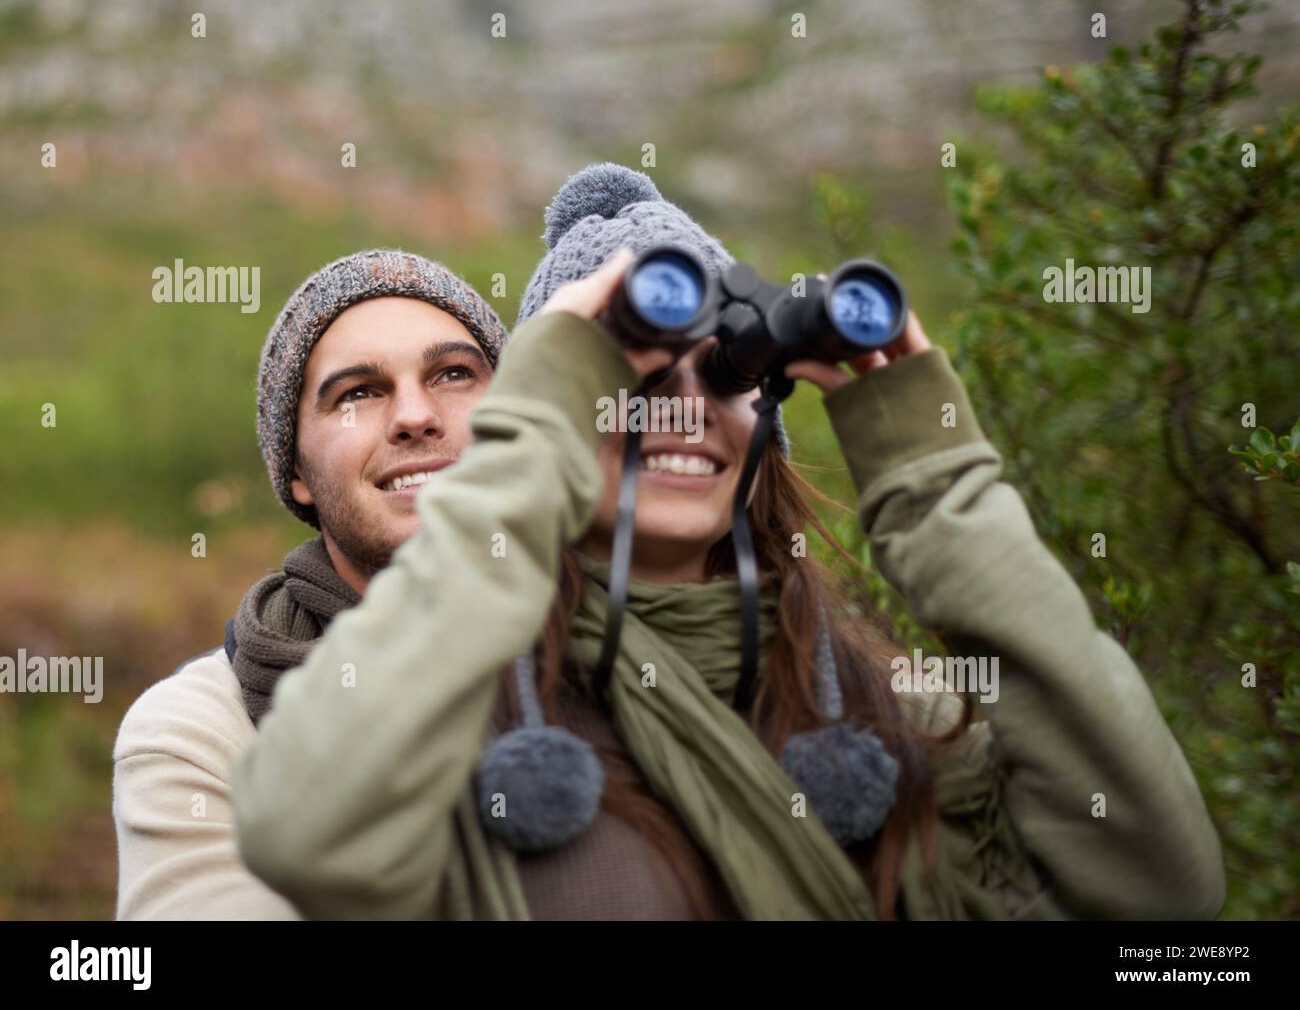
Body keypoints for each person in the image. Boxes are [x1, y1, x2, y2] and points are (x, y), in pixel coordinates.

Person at [231, 164, 1226, 920]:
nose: (685, 408)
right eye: (635, 376)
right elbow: (302, 831)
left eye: (728, 372)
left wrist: (940, 489)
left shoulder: (892, 716)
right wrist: (530, 432)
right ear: (551, 418)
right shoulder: (451, 722)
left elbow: (1162, 893)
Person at [111, 250, 508, 919]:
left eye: (454, 374)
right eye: (359, 391)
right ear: (297, 472)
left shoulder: (626, 660)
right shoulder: (201, 732)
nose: (415, 414)